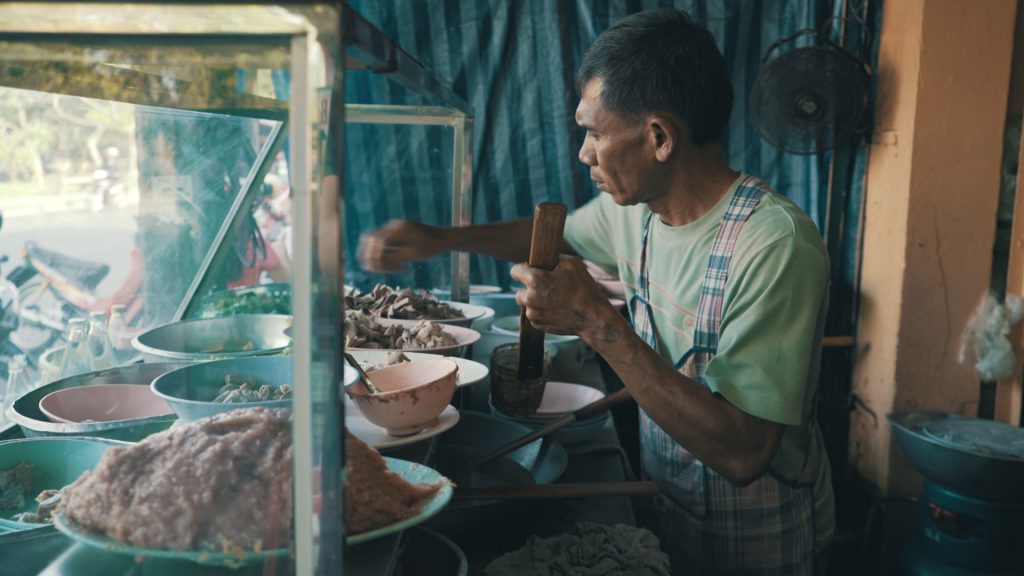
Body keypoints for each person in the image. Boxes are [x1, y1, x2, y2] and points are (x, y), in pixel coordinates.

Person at [358, 8, 833, 575]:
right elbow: (549, 237)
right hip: (670, 503)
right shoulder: (635, 211)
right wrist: (440, 238)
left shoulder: (775, 245)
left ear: (659, 137)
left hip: (758, 537)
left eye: (595, 132)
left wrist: (596, 323)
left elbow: (744, 452)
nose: (584, 153)